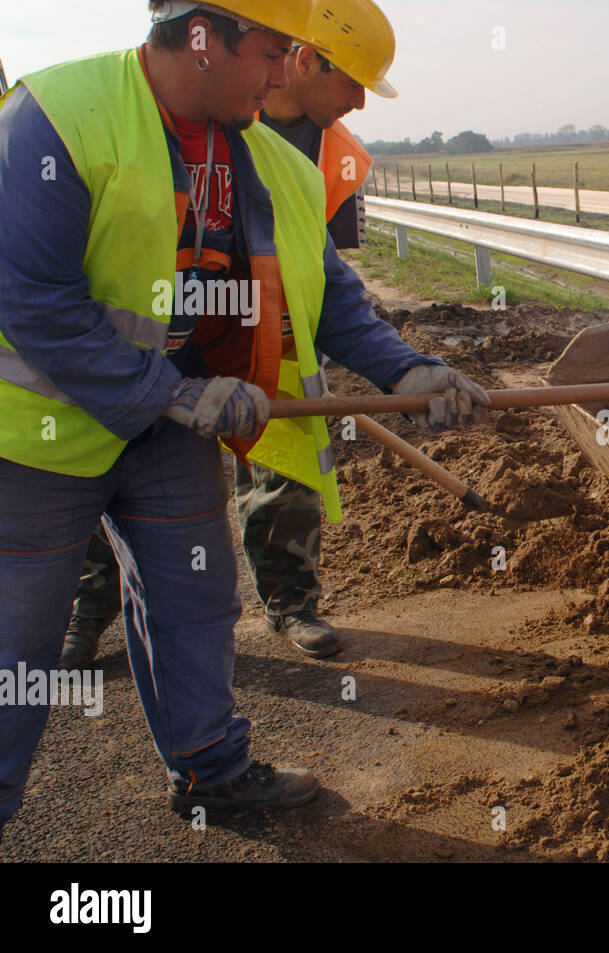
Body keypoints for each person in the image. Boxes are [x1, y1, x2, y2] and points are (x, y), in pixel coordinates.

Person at [0, 0, 489, 831]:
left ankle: (211, 771)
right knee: (19, 643)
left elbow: (332, 296)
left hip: (170, 426)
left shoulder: (269, 161)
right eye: (268, 51)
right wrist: (172, 393)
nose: (277, 74)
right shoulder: (55, 118)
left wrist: (409, 367)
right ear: (201, 35)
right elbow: (30, 300)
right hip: (39, 436)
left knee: (196, 598)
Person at [59, 0, 400, 665]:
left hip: (265, 345)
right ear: (302, 59)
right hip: (146, 348)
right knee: (109, 482)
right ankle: (90, 608)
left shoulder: (335, 159)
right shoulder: (176, 115)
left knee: (273, 487)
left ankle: (287, 603)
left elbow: (330, 286)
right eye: (351, 81)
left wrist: (400, 365)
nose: (359, 102)